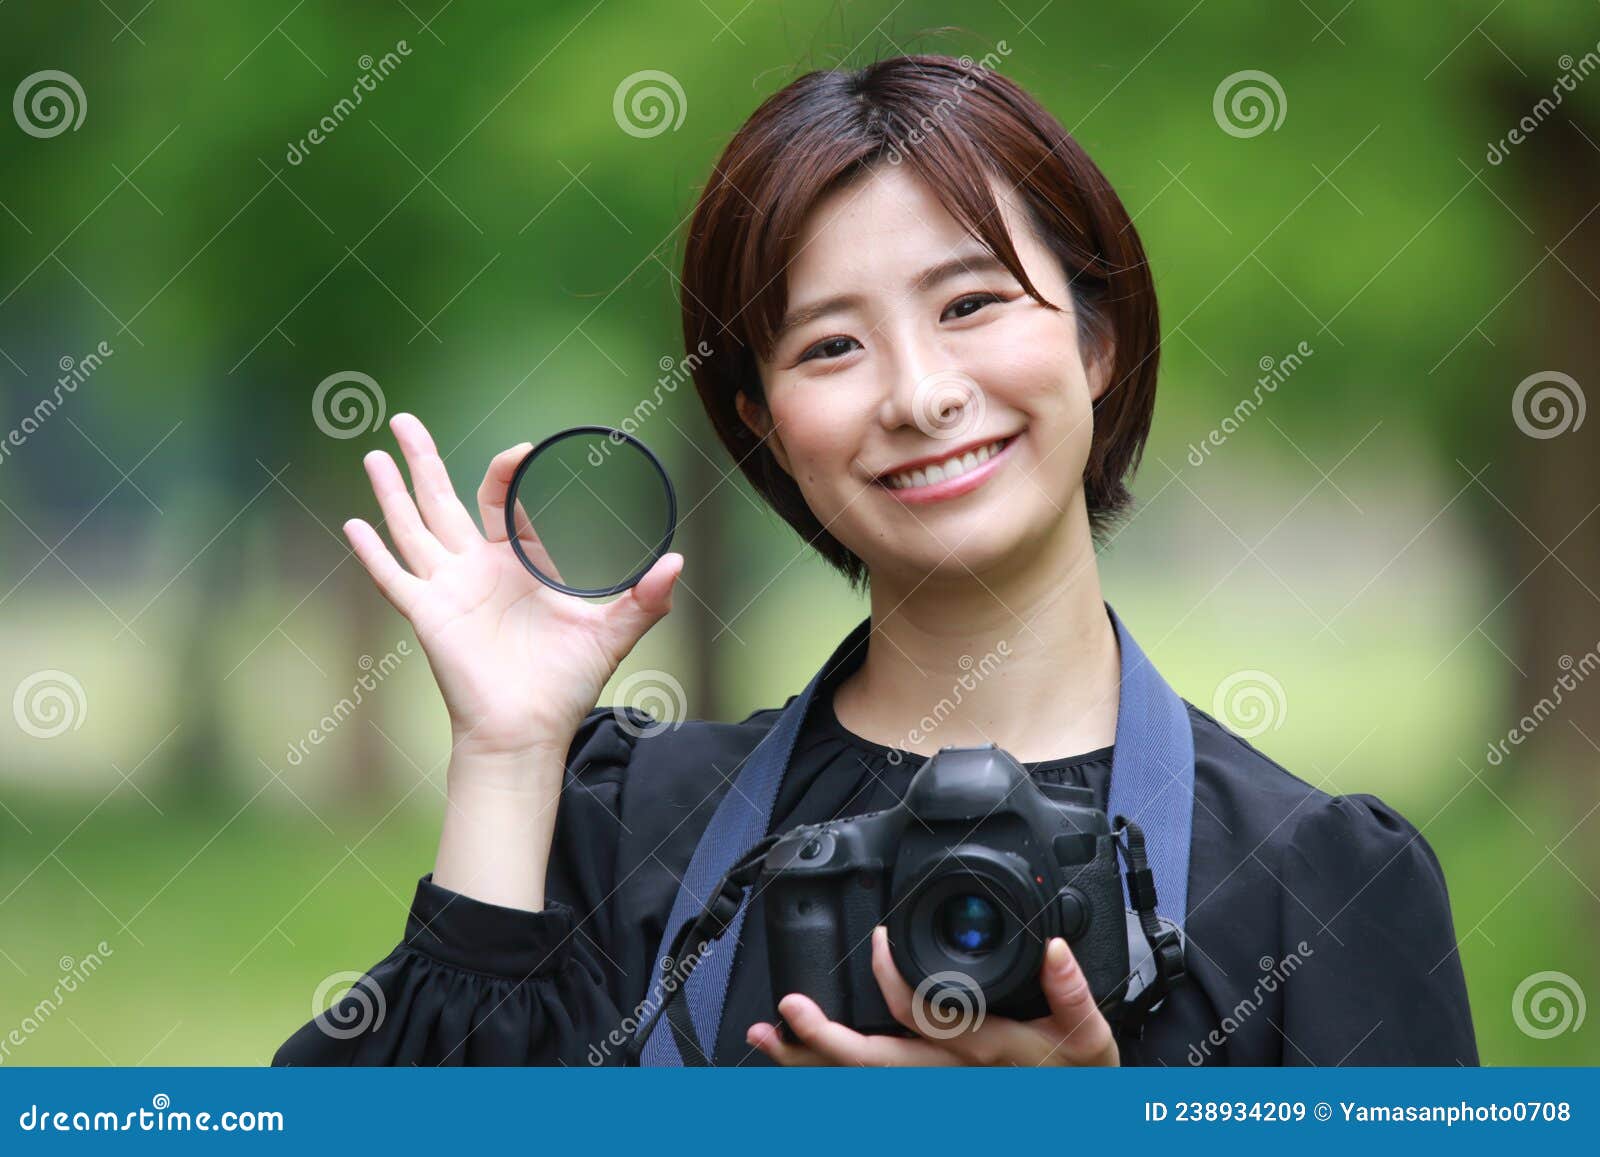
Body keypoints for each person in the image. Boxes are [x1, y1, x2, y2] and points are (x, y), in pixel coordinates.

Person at [272, 54, 1477, 1067]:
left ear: (1097, 338)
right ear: (763, 423)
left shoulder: (1318, 888)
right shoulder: (628, 828)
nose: (919, 394)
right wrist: (506, 752)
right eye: (833, 343)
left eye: (969, 304)